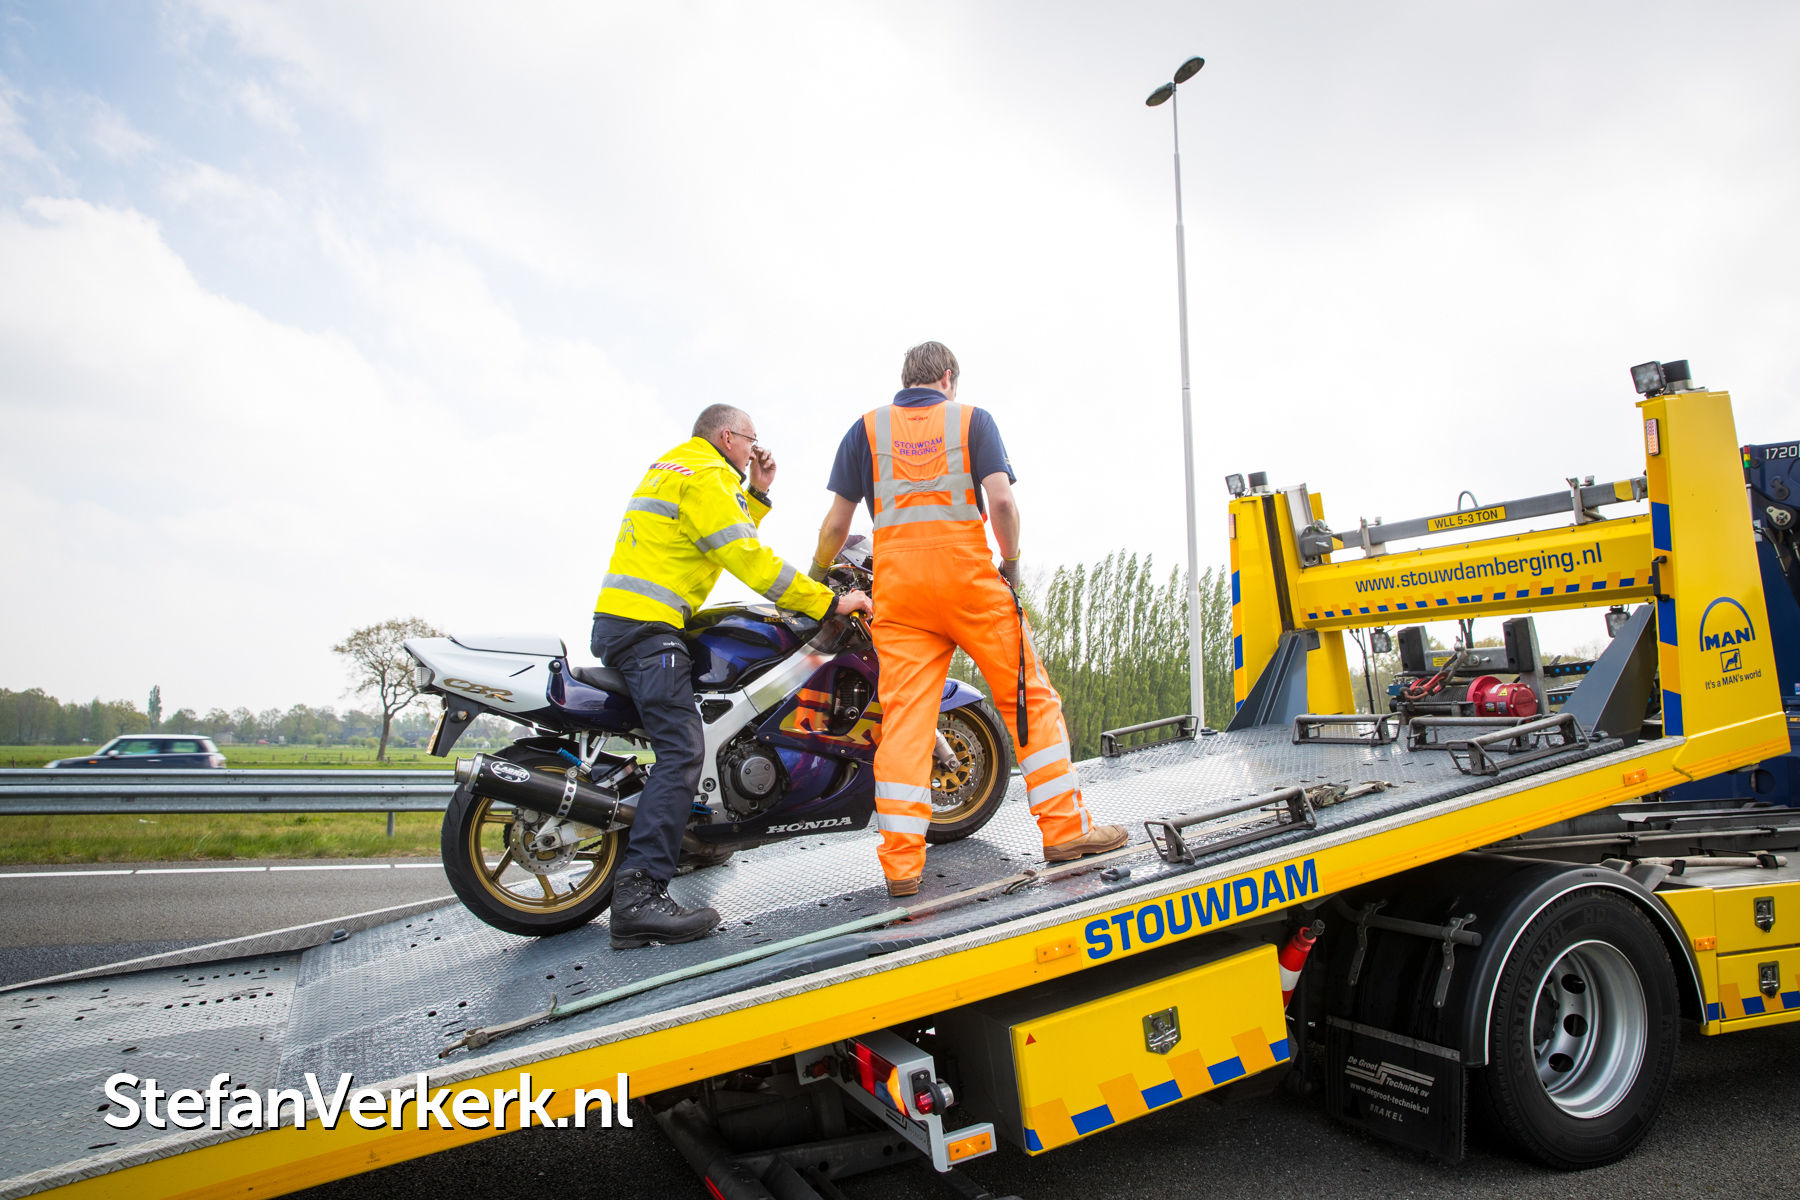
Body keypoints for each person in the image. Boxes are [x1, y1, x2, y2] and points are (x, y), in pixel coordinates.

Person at [811, 342, 1127, 897]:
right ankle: (1065, 831)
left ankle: (902, 869)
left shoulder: (865, 429)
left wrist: (817, 574)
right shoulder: (972, 420)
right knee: (1028, 699)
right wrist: (1010, 562)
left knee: (907, 724)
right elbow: (1000, 503)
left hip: (900, 594)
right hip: (968, 581)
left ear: (906, 379)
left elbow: (837, 522)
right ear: (948, 378)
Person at [594, 403, 872, 948]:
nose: (755, 449)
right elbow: (747, 556)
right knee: (681, 751)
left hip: (631, 622)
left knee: (689, 734)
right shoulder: (710, 474)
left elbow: (718, 530)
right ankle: (638, 898)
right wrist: (827, 603)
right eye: (751, 440)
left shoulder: (679, 466)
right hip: (649, 630)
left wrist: (759, 492)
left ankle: (690, 840)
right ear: (728, 436)